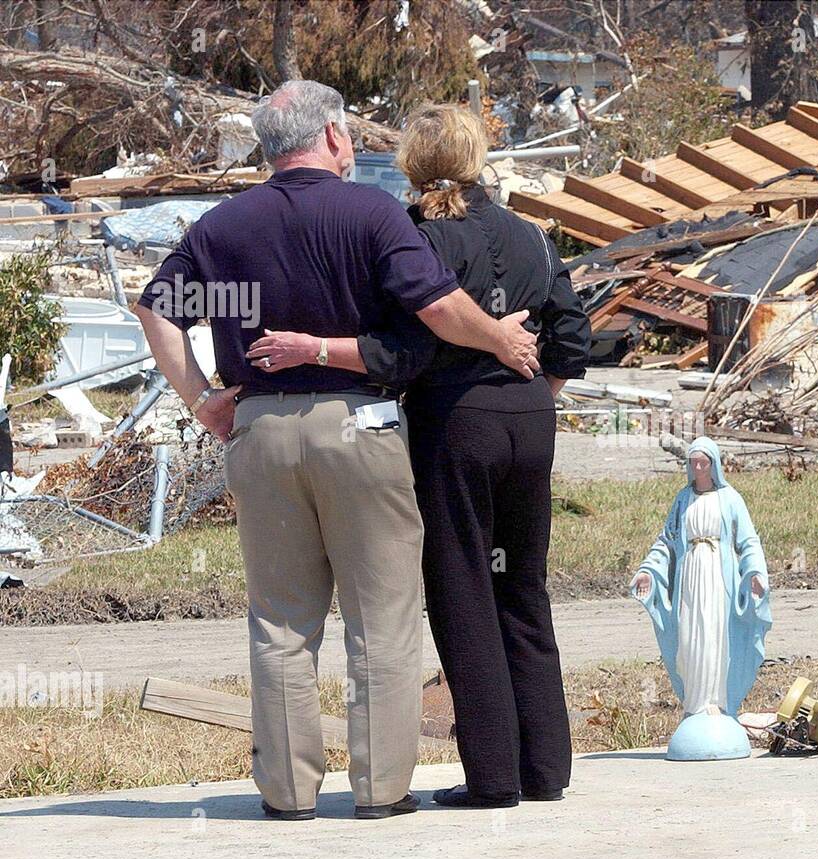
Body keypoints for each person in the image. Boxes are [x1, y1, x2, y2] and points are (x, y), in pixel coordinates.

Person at [133, 81, 539, 821]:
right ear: (333, 137)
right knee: (380, 617)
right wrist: (500, 336)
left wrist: (201, 398)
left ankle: (287, 793)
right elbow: (440, 309)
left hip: (259, 430)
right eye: (348, 133)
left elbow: (156, 310)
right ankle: (380, 790)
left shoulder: (223, 226)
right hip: (360, 427)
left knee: (281, 621)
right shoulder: (373, 212)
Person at [250, 104, 590, 808]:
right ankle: (545, 766)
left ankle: (494, 776)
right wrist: (528, 391)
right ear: (479, 155)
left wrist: (320, 350)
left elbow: (404, 351)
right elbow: (572, 336)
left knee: (462, 592)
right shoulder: (532, 234)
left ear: (411, 164)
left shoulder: (415, 237)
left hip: (455, 425)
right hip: (531, 419)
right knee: (524, 589)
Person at [631, 437, 771, 720]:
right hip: (690, 578)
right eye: (693, 462)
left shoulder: (730, 499)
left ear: (714, 465)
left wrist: (755, 572)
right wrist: (648, 570)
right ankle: (694, 704)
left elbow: (748, 541)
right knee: (690, 637)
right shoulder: (683, 499)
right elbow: (666, 541)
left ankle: (718, 702)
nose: (697, 467)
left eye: (703, 462)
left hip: (719, 579)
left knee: (716, 634)